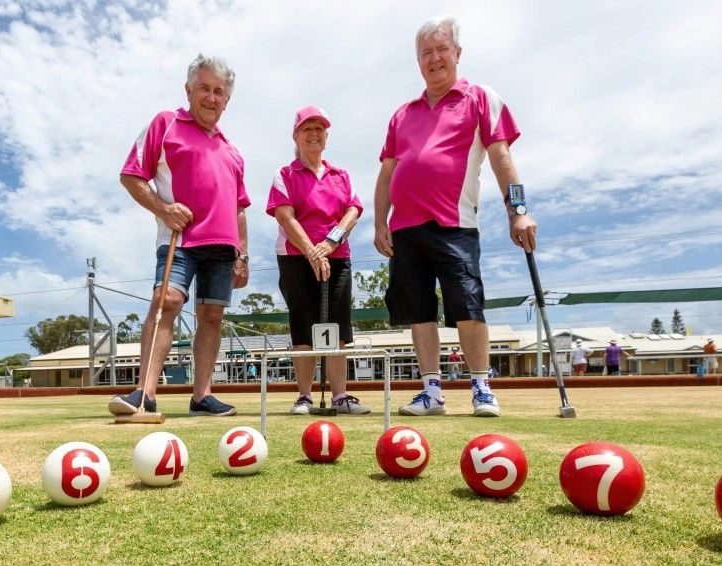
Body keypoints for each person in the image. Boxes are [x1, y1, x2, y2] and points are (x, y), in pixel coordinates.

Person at [374, 16, 537, 417]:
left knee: (467, 305)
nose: (434, 59)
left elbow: (502, 157)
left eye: (441, 49)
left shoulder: (480, 97)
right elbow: (387, 172)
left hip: (455, 224)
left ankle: (481, 386)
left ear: (457, 54)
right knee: (418, 311)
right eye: (425, 53)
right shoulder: (402, 114)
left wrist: (518, 211)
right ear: (418, 61)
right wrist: (380, 222)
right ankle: (432, 392)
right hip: (405, 230)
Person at [110, 54, 250, 418]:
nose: (211, 97)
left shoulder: (232, 150)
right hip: (181, 239)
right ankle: (145, 393)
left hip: (223, 247)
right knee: (167, 301)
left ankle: (202, 396)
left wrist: (243, 255)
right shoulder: (166, 123)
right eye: (204, 88)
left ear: (227, 100)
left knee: (212, 315)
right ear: (189, 90)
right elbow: (131, 175)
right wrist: (164, 209)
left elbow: (239, 207)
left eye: (219, 91)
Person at [267, 106, 370, 415]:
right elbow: (285, 216)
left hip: (337, 259)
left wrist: (329, 243)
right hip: (296, 258)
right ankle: (304, 396)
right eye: (307, 129)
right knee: (303, 326)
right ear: (296, 136)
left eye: (319, 129)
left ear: (326, 136)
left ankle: (340, 396)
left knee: (337, 328)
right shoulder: (284, 174)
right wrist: (312, 251)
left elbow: (352, 211)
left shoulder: (342, 176)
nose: (313, 134)